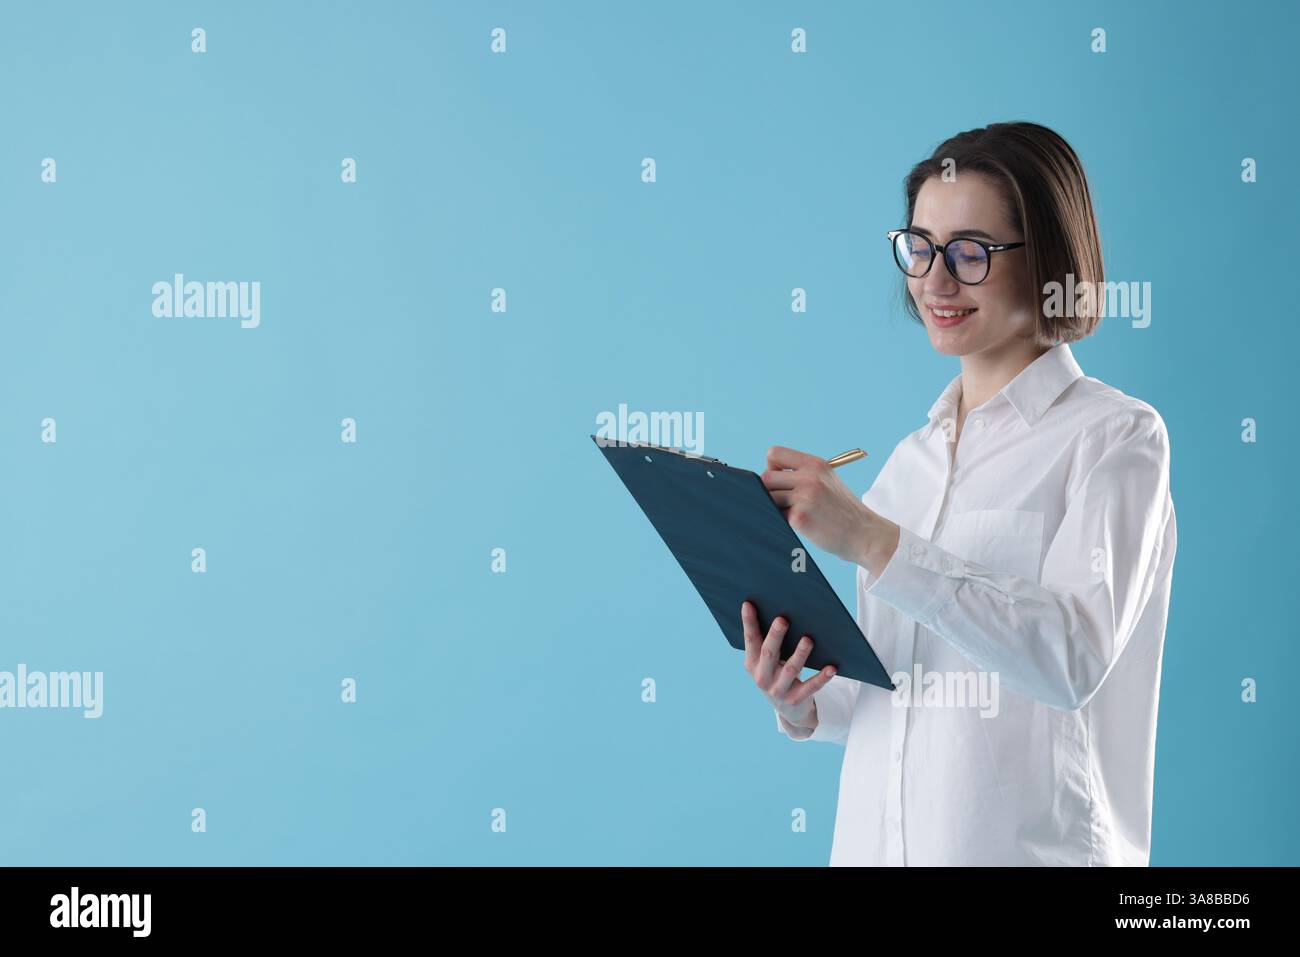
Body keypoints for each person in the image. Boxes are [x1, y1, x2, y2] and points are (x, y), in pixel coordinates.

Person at [743, 121, 1176, 866]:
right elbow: (878, 698)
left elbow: (1070, 658)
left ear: (1048, 259)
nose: (935, 281)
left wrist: (875, 541)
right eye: (920, 247)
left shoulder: (1115, 438)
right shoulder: (907, 465)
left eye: (970, 252)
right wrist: (799, 698)